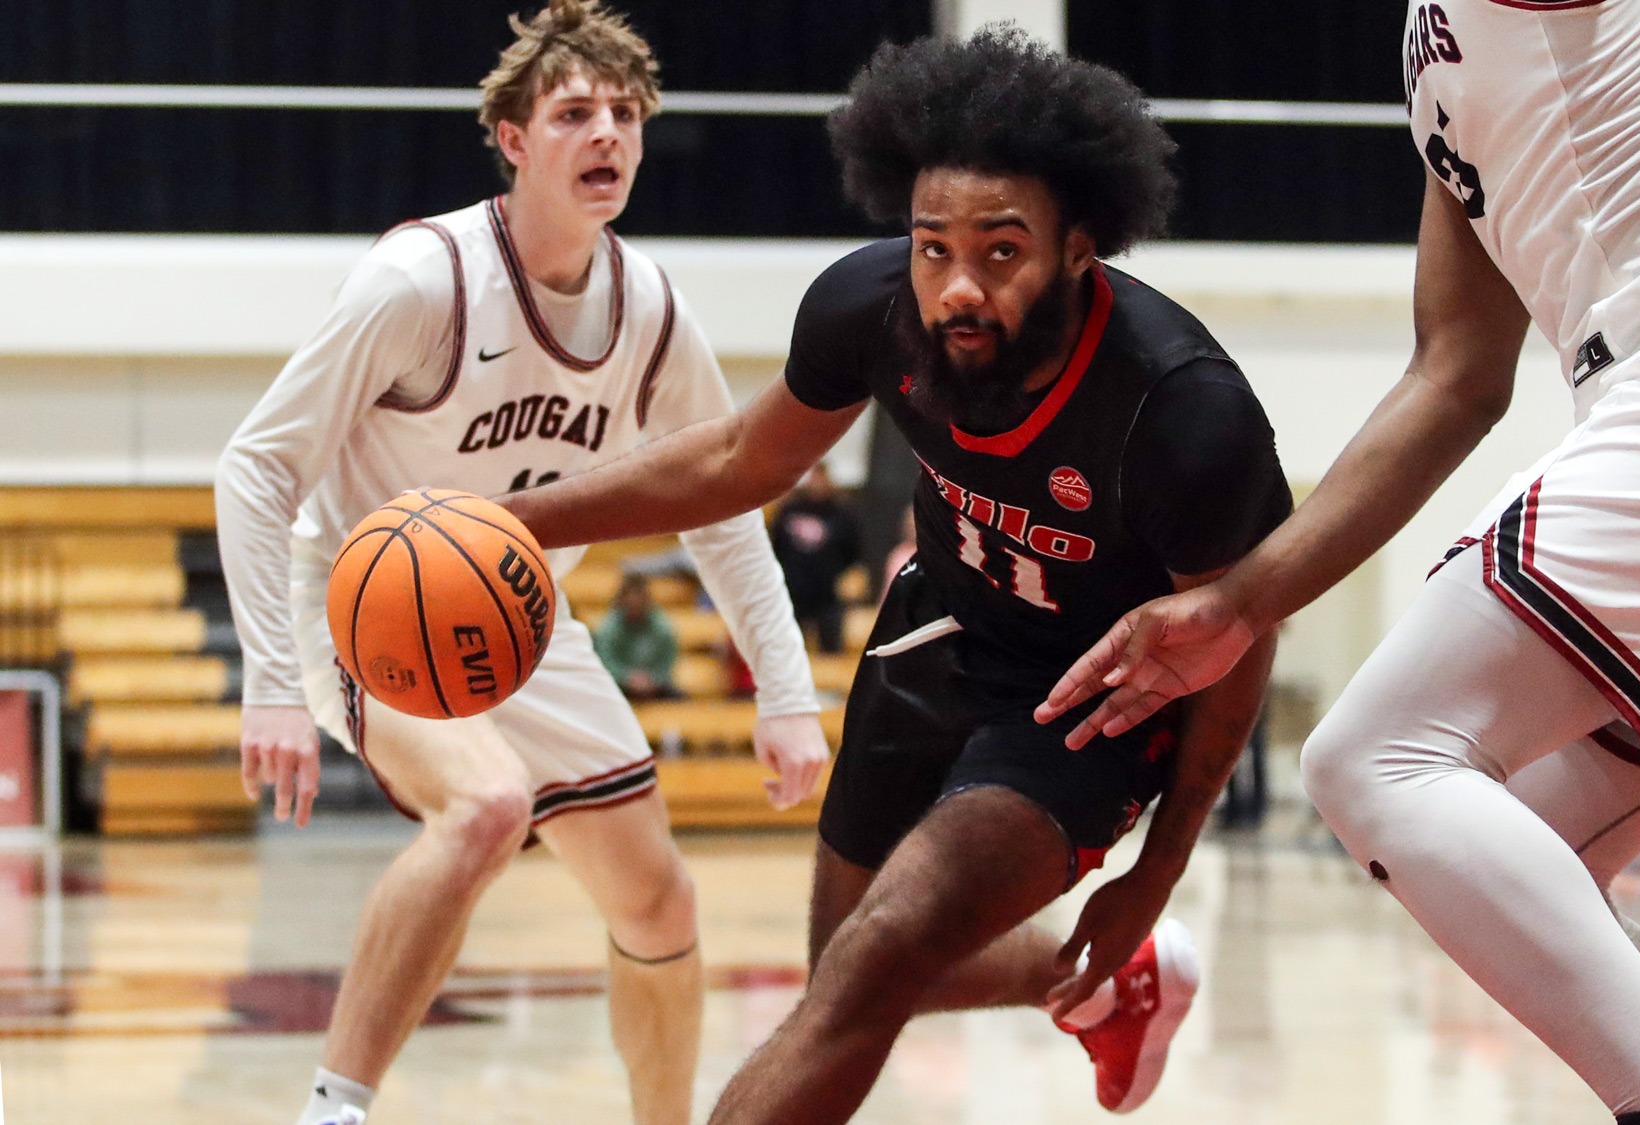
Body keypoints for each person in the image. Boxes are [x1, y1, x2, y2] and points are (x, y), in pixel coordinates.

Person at [1038, 3, 1640, 1124]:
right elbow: (1454, 375)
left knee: (1371, 761)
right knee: (1519, 882)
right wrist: (1239, 601)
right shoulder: (1428, 51)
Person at [499, 28, 1292, 1122]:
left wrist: (1148, 874)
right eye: (931, 247)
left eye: (1000, 250)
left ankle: (1118, 955)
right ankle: (1113, 986)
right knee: (847, 969)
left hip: (1086, 703)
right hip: (939, 630)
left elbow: (1242, 646)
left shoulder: (1181, 410)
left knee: (877, 958)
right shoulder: (869, 310)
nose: (957, 286)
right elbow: (738, 459)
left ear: (1078, 247)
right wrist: (508, 522)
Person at [214, 5, 829, 1123]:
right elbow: (255, 466)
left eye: (624, 114)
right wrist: (271, 684)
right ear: (513, 138)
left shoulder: (647, 309)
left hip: (512, 613)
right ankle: (333, 1110)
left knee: (656, 901)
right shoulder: (420, 279)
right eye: (574, 113)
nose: (606, 133)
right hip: (363, 601)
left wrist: (785, 690)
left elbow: (725, 498)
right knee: (491, 804)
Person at [770, 463, 863, 653]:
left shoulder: (841, 514)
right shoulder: (789, 510)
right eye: (813, 478)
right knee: (790, 648)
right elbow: (776, 546)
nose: (817, 483)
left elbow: (853, 550)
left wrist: (835, 572)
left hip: (827, 593)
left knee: (830, 650)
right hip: (793, 591)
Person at [595, 573, 684, 700]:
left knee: (679, 698)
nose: (635, 605)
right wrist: (626, 678)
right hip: (618, 686)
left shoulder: (662, 626)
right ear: (622, 600)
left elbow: (668, 659)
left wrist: (654, 679)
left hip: (655, 686)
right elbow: (605, 660)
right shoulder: (608, 629)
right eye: (631, 603)